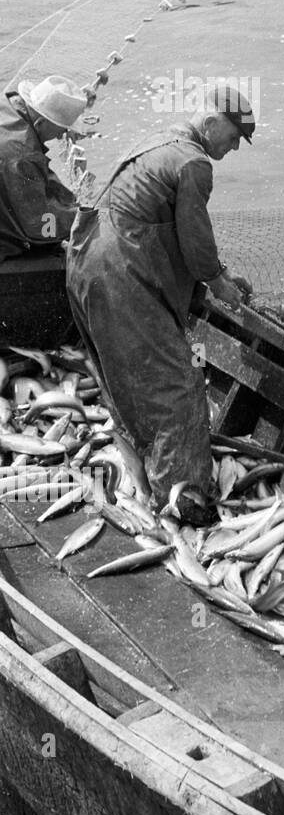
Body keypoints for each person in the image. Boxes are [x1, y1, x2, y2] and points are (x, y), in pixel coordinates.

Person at [66, 82, 256, 527]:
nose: (232, 149)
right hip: (118, 275)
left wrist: (215, 275)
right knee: (178, 382)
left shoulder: (157, 140)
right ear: (210, 124)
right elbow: (194, 240)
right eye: (231, 139)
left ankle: (144, 477)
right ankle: (186, 503)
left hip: (82, 263)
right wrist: (218, 281)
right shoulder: (194, 163)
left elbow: (156, 225)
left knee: (121, 376)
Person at [0, 75, 87, 261]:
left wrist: (69, 201)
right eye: (62, 129)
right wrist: (84, 220)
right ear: (40, 124)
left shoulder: (8, 105)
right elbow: (39, 224)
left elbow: (37, 175)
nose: (62, 134)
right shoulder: (22, 156)